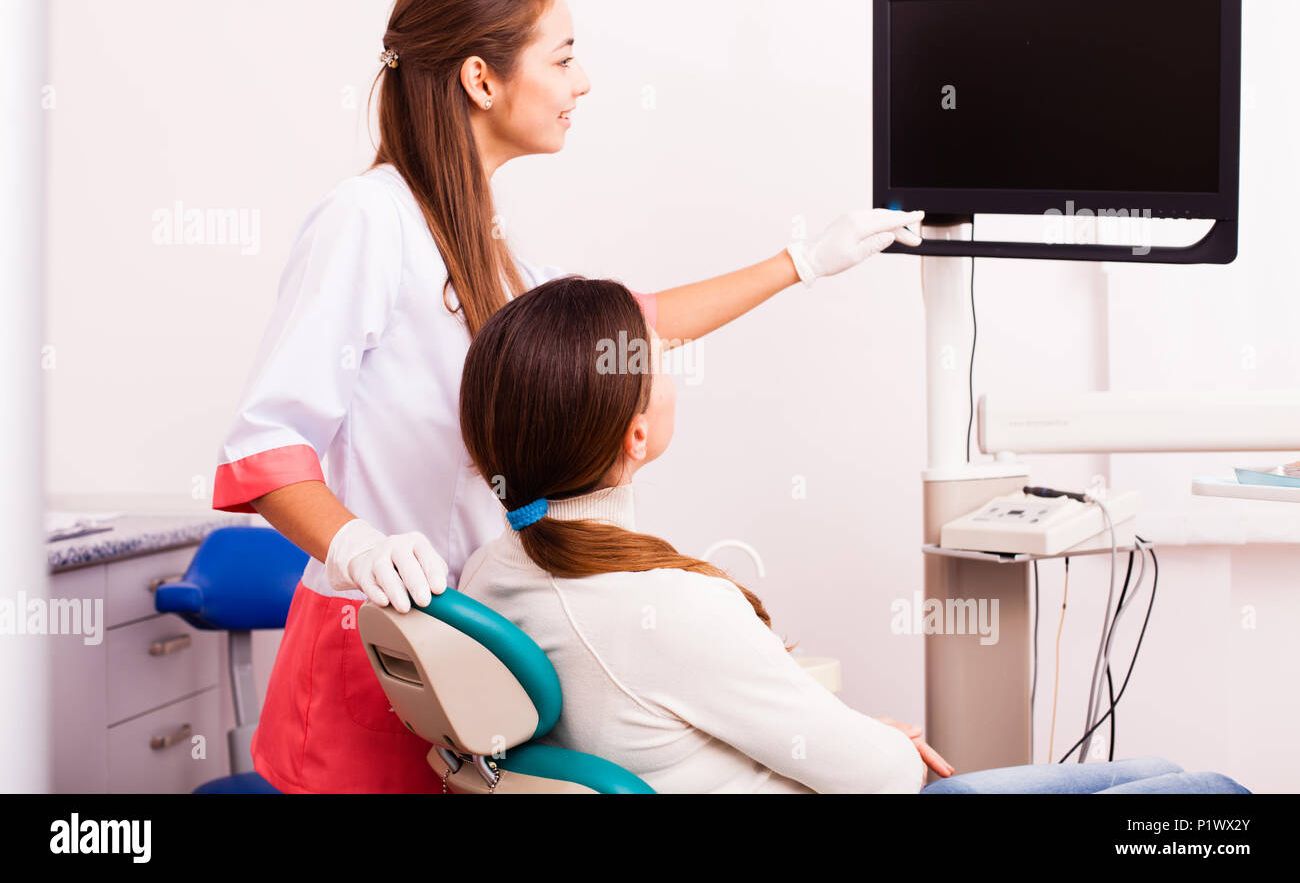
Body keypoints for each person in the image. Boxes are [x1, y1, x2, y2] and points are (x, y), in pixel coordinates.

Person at [211, 0, 923, 793]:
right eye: (565, 56)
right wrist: (355, 543)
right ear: (482, 79)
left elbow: (620, 331)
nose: (581, 83)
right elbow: (265, 442)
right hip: (383, 654)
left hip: (477, 652)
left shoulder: (483, 229)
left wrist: (802, 262)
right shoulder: (366, 221)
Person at [457, 276, 1250, 794]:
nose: (669, 356)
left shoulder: (494, 572)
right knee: (1206, 797)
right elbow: (883, 778)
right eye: (655, 354)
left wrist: (843, 735)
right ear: (634, 438)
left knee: (1160, 774)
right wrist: (867, 742)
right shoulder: (664, 606)